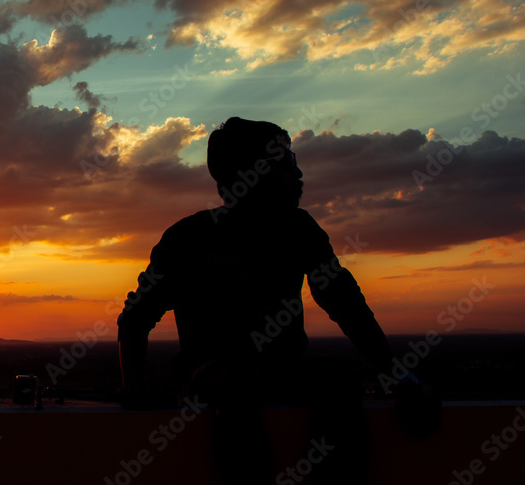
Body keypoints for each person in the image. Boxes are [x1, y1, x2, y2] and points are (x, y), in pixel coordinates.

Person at [116, 117, 428, 484]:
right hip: (214, 378)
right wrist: (133, 391)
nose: (297, 175)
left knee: (336, 379)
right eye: (285, 163)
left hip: (276, 373)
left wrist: (400, 376)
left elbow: (345, 304)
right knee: (238, 384)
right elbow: (135, 320)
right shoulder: (188, 239)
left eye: (293, 161)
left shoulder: (300, 230)